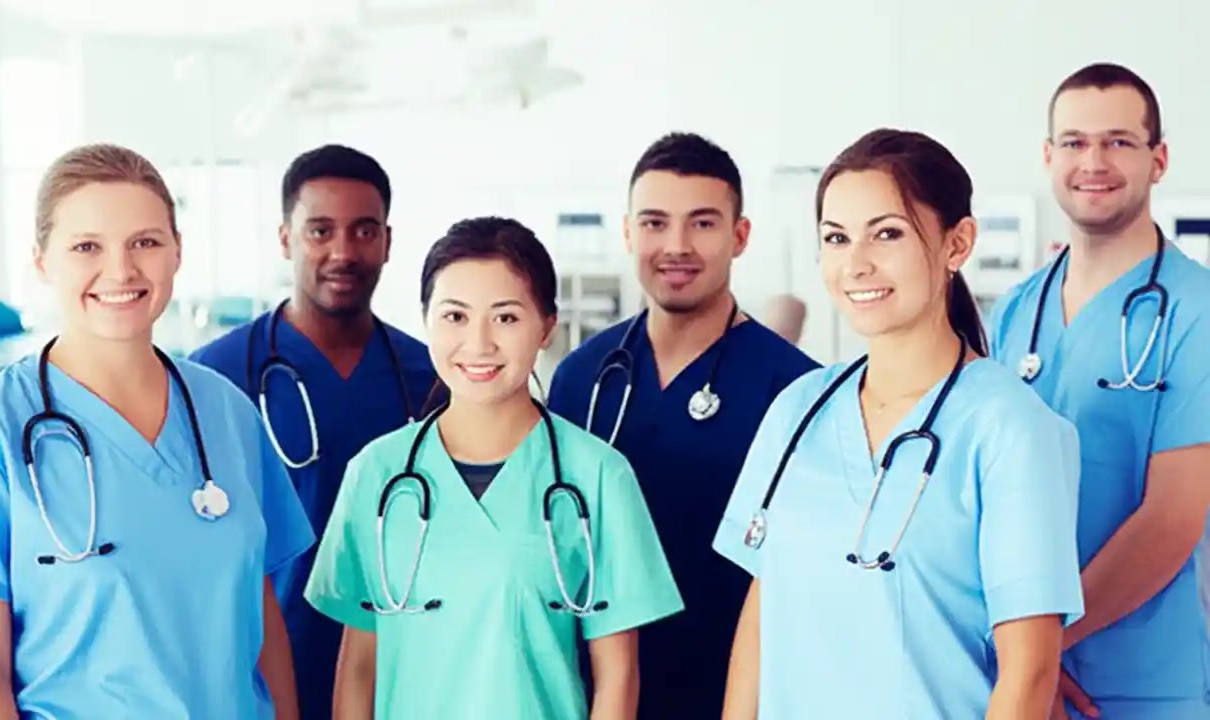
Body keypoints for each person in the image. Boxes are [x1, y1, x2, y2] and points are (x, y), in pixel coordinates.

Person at [0, 144, 314, 718]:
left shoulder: (227, 413)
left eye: (146, 242)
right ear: (41, 261)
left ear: (177, 252)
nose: (121, 271)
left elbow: (261, 621)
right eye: (87, 246)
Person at [716, 128, 1084, 719]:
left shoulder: (1011, 428)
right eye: (836, 238)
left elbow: (1032, 667)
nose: (856, 263)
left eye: (886, 234)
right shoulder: (798, 409)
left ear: (957, 243)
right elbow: (764, 609)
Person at [305, 217, 683, 719]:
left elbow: (617, 674)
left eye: (505, 318)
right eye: (455, 317)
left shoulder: (597, 476)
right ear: (427, 321)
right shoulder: (375, 473)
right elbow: (358, 665)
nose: (479, 343)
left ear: (546, 327)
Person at [546, 132, 817, 718]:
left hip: (737, 693)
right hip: (594, 693)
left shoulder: (797, 390)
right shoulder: (581, 378)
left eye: (701, 223)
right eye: (654, 223)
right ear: (627, 232)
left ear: (739, 236)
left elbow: (808, 577)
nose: (675, 246)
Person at [987, 63, 1210, 719]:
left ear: (1158, 159)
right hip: (1020, 675)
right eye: (1075, 142)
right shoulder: (1017, 309)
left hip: (1140, 678)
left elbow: (1174, 517)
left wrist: (1049, 643)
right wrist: (1026, 659)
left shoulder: (1197, 311)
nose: (1094, 161)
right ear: (1049, 156)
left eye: (1118, 141)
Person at [189, 144, 437, 718]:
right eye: (320, 231)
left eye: (363, 231)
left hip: (400, 669)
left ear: (388, 241)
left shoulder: (430, 376)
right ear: (285, 238)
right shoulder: (216, 376)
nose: (342, 252)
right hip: (262, 669)